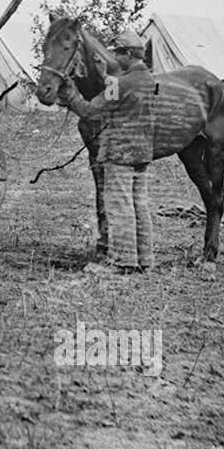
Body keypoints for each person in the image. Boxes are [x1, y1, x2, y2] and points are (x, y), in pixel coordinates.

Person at [59, 29, 156, 274]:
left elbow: (91, 111)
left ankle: (122, 262)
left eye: (118, 54)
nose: (115, 58)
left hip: (119, 153)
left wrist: (71, 95)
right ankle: (144, 259)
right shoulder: (148, 80)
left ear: (128, 54)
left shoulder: (120, 83)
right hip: (142, 153)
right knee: (139, 206)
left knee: (119, 206)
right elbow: (121, 94)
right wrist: (105, 76)